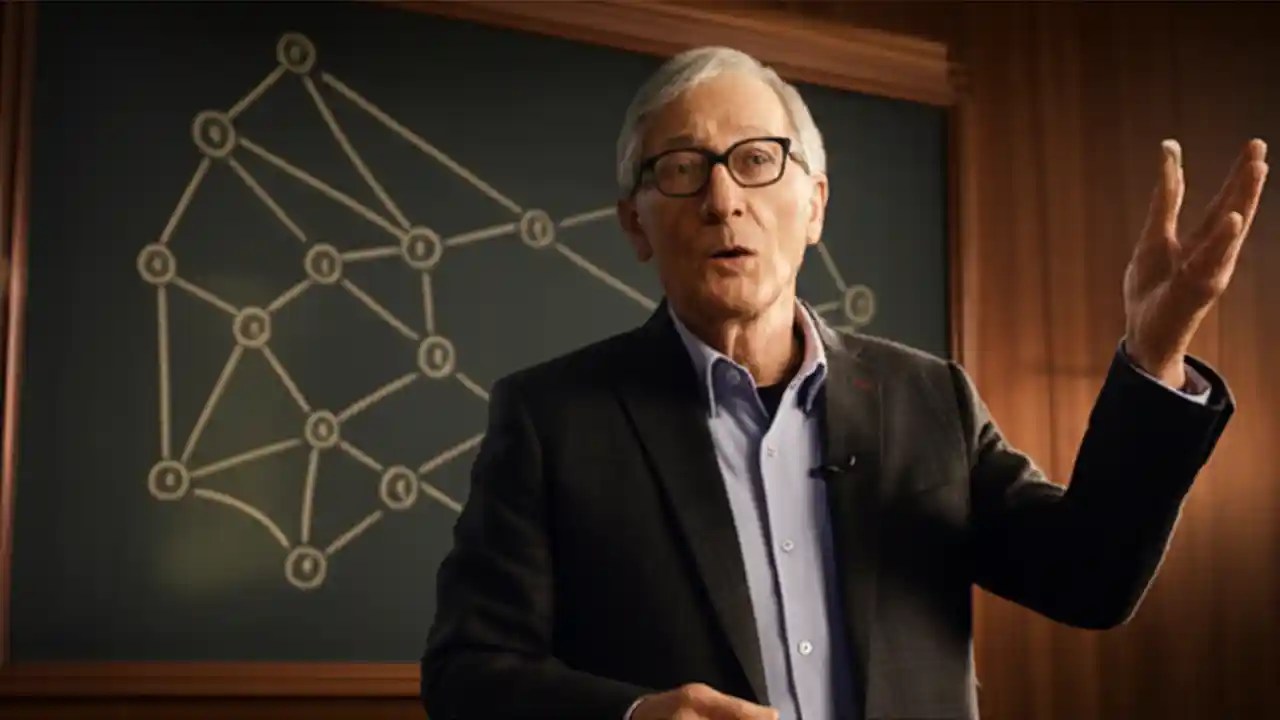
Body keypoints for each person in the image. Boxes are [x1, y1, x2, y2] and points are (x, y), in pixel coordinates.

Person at [419, 46, 1268, 720]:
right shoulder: (553, 418)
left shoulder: (928, 397)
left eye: (757, 160)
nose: (722, 199)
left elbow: (1090, 579)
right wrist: (635, 715)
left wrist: (1156, 353)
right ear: (635, 224)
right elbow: (468, 674)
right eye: (680, 169)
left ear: (815, 204)